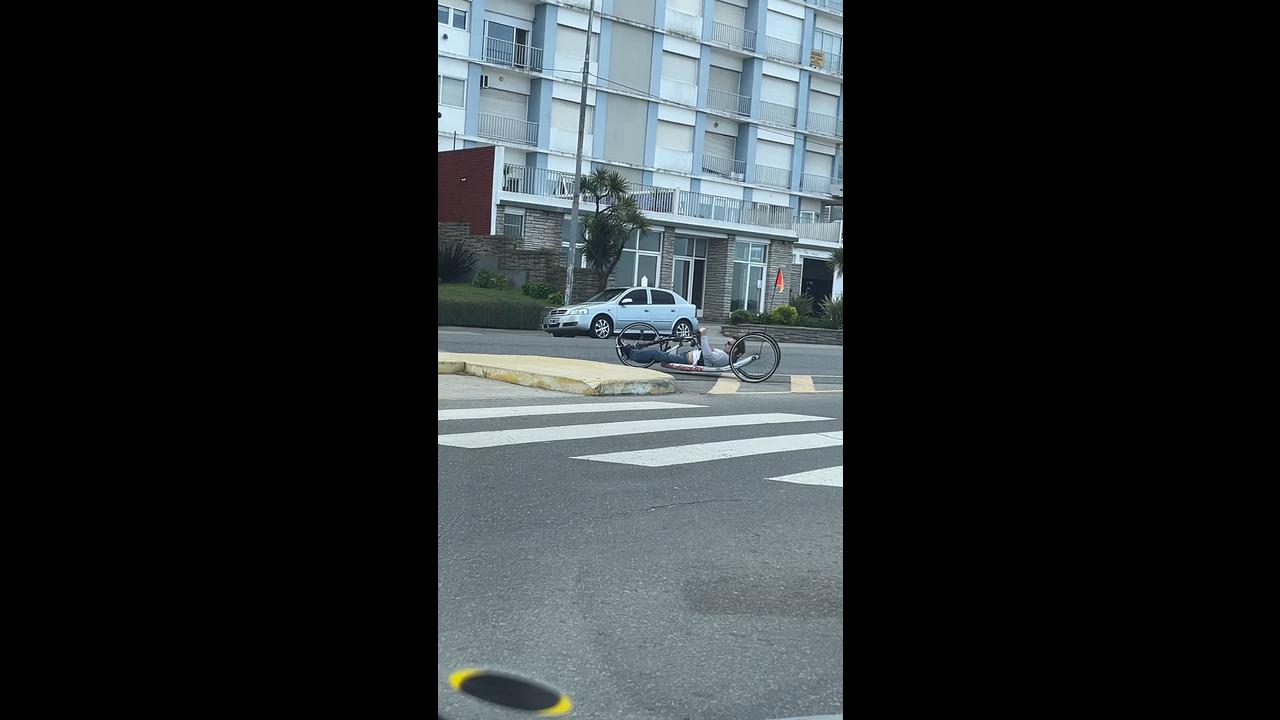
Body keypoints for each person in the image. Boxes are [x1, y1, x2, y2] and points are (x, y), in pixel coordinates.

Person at [621, 327, 736, 367]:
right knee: (662, 352)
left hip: (687, 360)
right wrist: (700, 338)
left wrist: (704, 336)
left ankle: (629, 353)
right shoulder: (724, 355)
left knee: (657, 354)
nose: (726, 344)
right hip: (689, 355)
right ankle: (634, 351)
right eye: (727, 342)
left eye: (729, 344)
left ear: (735, 349)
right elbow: (707, 352)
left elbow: (707, 354)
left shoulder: (725, 358)